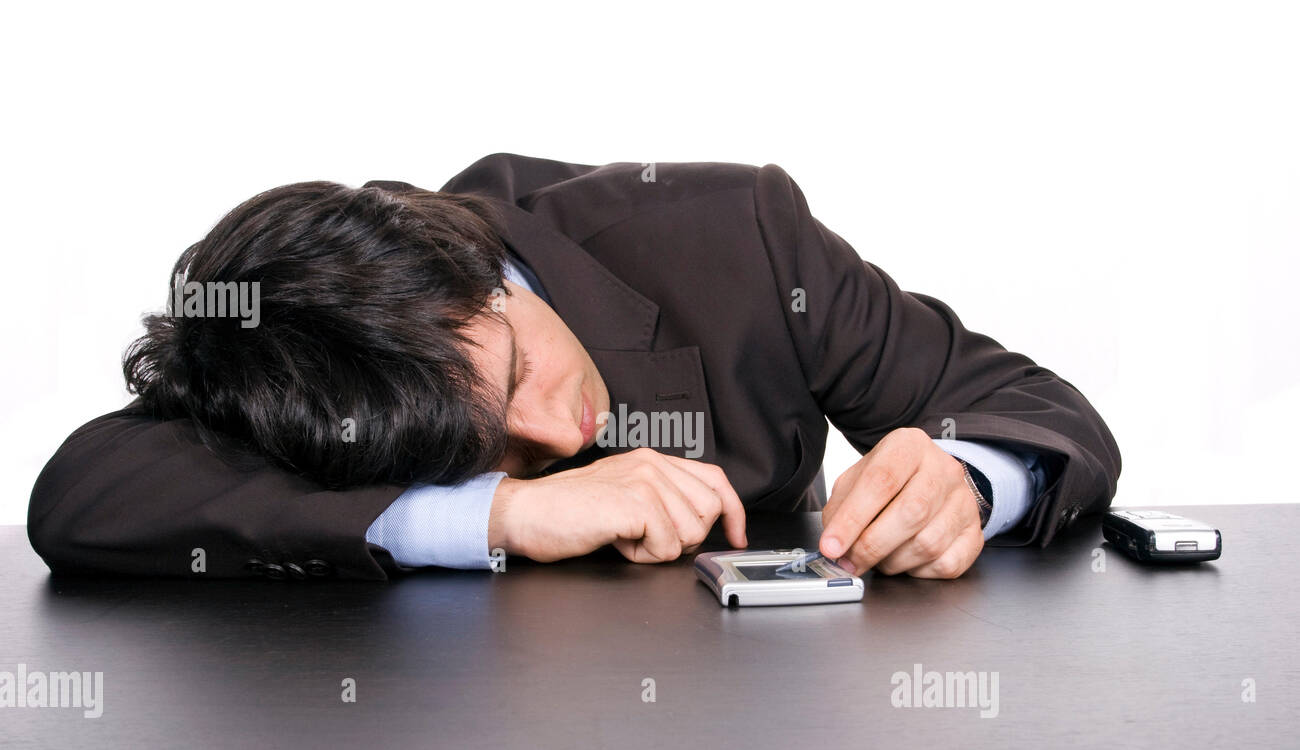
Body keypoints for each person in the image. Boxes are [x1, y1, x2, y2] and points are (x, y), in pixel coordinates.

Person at [27, 153, 1121, 581]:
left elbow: (1035, 407)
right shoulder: (310, 363)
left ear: (489, 272)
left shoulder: (738, 240)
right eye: (488, 443)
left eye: (517, 376)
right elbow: (83, 489)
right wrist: (490, 512)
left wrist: (967, 479)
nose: (553, 438)